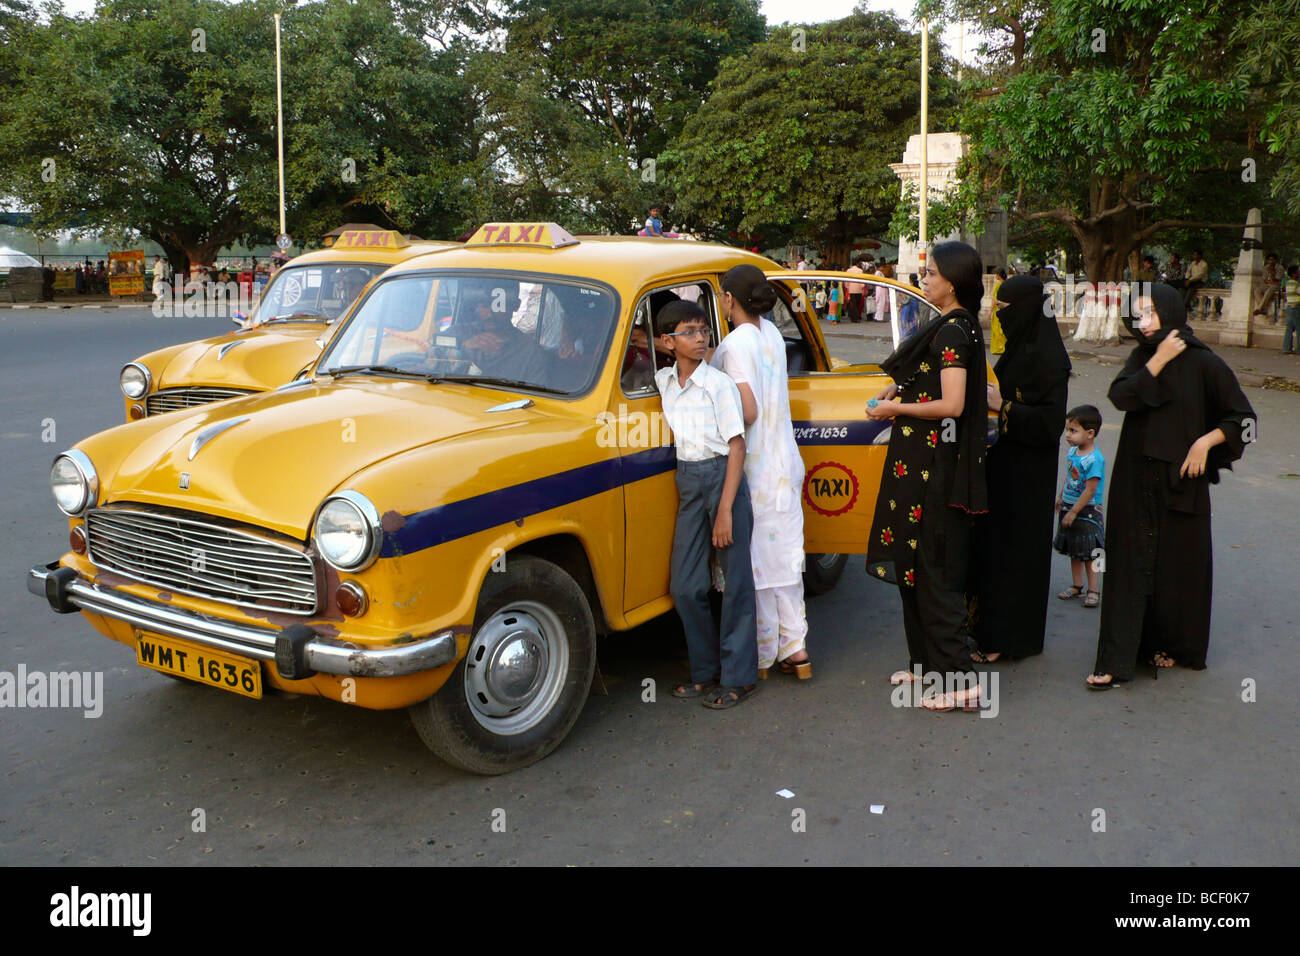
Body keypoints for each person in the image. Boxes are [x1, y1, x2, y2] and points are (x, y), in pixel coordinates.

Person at [1087, 284, 1256, 689]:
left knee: (1176, 571)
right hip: (1135, 481)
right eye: (1138, 316)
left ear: (1170, 311)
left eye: (1149, 314)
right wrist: (1158, 361)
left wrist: (1205, 441)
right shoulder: (1143, 357)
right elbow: (1121, 397)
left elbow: (1244, 422)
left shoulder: (1205, 364)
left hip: (1181, 483)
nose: (1142, 324)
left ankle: (1168, 646)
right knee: (1128, 566)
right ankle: (1115, 660)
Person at [866, 241, 988, 711]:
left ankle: (960, 682)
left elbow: (953, 404)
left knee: (933, 569)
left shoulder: (955, 332)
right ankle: (926, 668)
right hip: (916, 464)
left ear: (952, 282)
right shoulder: (948, 327)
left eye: (931, 272)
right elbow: (929, 379)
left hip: (935, 467)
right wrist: (897, 388)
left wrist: (897, 407)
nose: (925, 279)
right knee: (912, 566)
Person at [655, 300, 759, 709]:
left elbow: (737, 445)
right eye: (689, 332)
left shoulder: (718, 384)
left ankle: (739, 678)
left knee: (735, 585)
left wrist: (726, 510)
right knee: (684, 586)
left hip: (722, 479)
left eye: (703, 331)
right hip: (688, 479)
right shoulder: (666, 381)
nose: (700, 338)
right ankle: (704, 671)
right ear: (668, 342)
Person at [714, 264, 811, 681]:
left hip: (753, 463)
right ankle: (796, 647)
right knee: (782, 560)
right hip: (784, 460)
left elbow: (747, 410)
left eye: (721, 295)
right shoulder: (771, 334)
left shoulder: (735, 345)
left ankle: (765, 652)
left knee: (755, 563)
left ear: (729, 300)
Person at [969, 274, 1071, 663]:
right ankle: (986, 628)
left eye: (1006, 309)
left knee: (1018, 553)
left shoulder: (1049, 360)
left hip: (1030, 474)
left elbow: (1050, 424)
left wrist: (1003, 405)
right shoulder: (1016, 349)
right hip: (1003, 466)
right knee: (994, 547)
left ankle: (1009, 639)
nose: (1000, 315)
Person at [1052, 405, 1106, 609]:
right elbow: (1070, 477)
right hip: (1069, 506)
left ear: (1090, 433)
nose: (1068, 435)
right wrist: (1061, 497)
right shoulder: (1073, 451)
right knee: (1074, 549)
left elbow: (1091, 490)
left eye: (1073, 431)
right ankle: (1077, 585)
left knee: (1092, 552)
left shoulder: (1094, 460)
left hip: (1087, 511)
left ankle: (1094, 589)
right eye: (1067, 430)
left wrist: (1074, 511)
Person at [1253, 253, 1281, 319]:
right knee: (1257, 290)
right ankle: (1263, 309)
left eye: (1273, 260)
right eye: (1270, 260)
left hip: (1276, 286)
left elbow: (1277, 280)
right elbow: (1265, 280)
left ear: (1275, 260)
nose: (1271, 261)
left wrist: (1271, 272)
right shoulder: (1265, 267)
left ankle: (1259, 308)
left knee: (1271, 289)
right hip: (1269, 284)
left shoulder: (1279, 268)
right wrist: (1270, 282)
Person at [989, 267, 1007, 353]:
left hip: (997, 308)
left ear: (998, 275)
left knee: (996, 328)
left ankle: (998, 347)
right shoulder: (1006, 283)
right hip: (1004, 308)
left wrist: (990, 310)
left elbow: (994, 299)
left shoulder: (997, 284)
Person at [1283, 264, 1300, 355]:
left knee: (1289, 329)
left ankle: (1286, 348)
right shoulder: (1295, 283)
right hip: (1296, 307)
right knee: (1298, 328)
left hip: (1289, 307)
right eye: (1298, 271)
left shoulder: (1288, 282)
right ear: (1295, 273)